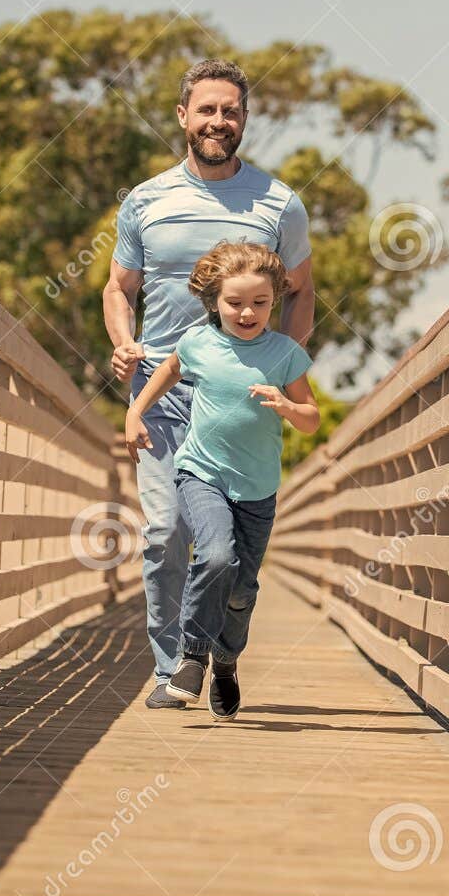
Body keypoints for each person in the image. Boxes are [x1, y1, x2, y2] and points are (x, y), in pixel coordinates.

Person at [102, 59, 315, 710]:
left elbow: (303, 292)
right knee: (166, 534)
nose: (219, 120)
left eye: (231, 110)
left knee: (232, 564)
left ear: (244, 121)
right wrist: (123, 343)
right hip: (167, 393)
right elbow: (119, 288)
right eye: (207, 109)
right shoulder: (145, 201)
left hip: (240, 398)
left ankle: (217, 652)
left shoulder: (279, 203)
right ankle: (175, 666)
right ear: (182, 117)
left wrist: (288, 361)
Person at [124, 241, 320, 720]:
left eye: (260, 302)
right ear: (214, 301)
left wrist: (289, 408)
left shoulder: (284, 353)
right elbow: (166, 371)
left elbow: (312, 418)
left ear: (274, 299)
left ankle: (226, 663)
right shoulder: (198, 343)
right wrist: (136, 411)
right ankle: (191, 659)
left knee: (241, 590)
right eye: (235, 303)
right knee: (214, 555)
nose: (247, 312)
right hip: (201, 473)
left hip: (257, 487)